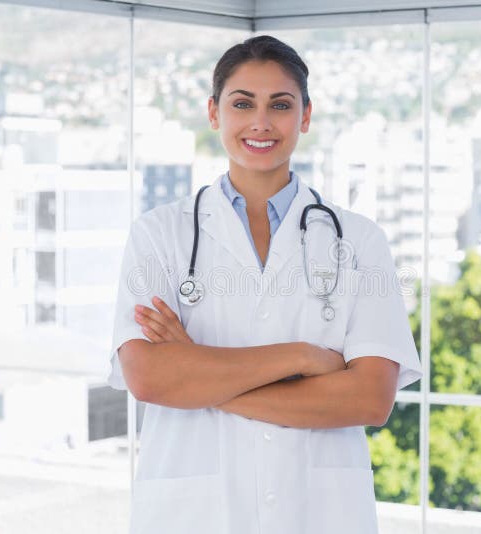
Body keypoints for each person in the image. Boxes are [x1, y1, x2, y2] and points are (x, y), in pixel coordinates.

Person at [107, 34, 422, 534]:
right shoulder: (159, 234)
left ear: (305, 116)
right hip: (194, 514)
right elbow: (148, 378)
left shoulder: (360, 240)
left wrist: (197, 374)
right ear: (214, 113)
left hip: (319, 512)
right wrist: (299, 356)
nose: (260, 122)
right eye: (241, 103)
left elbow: (368, 399)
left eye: (280, 104)